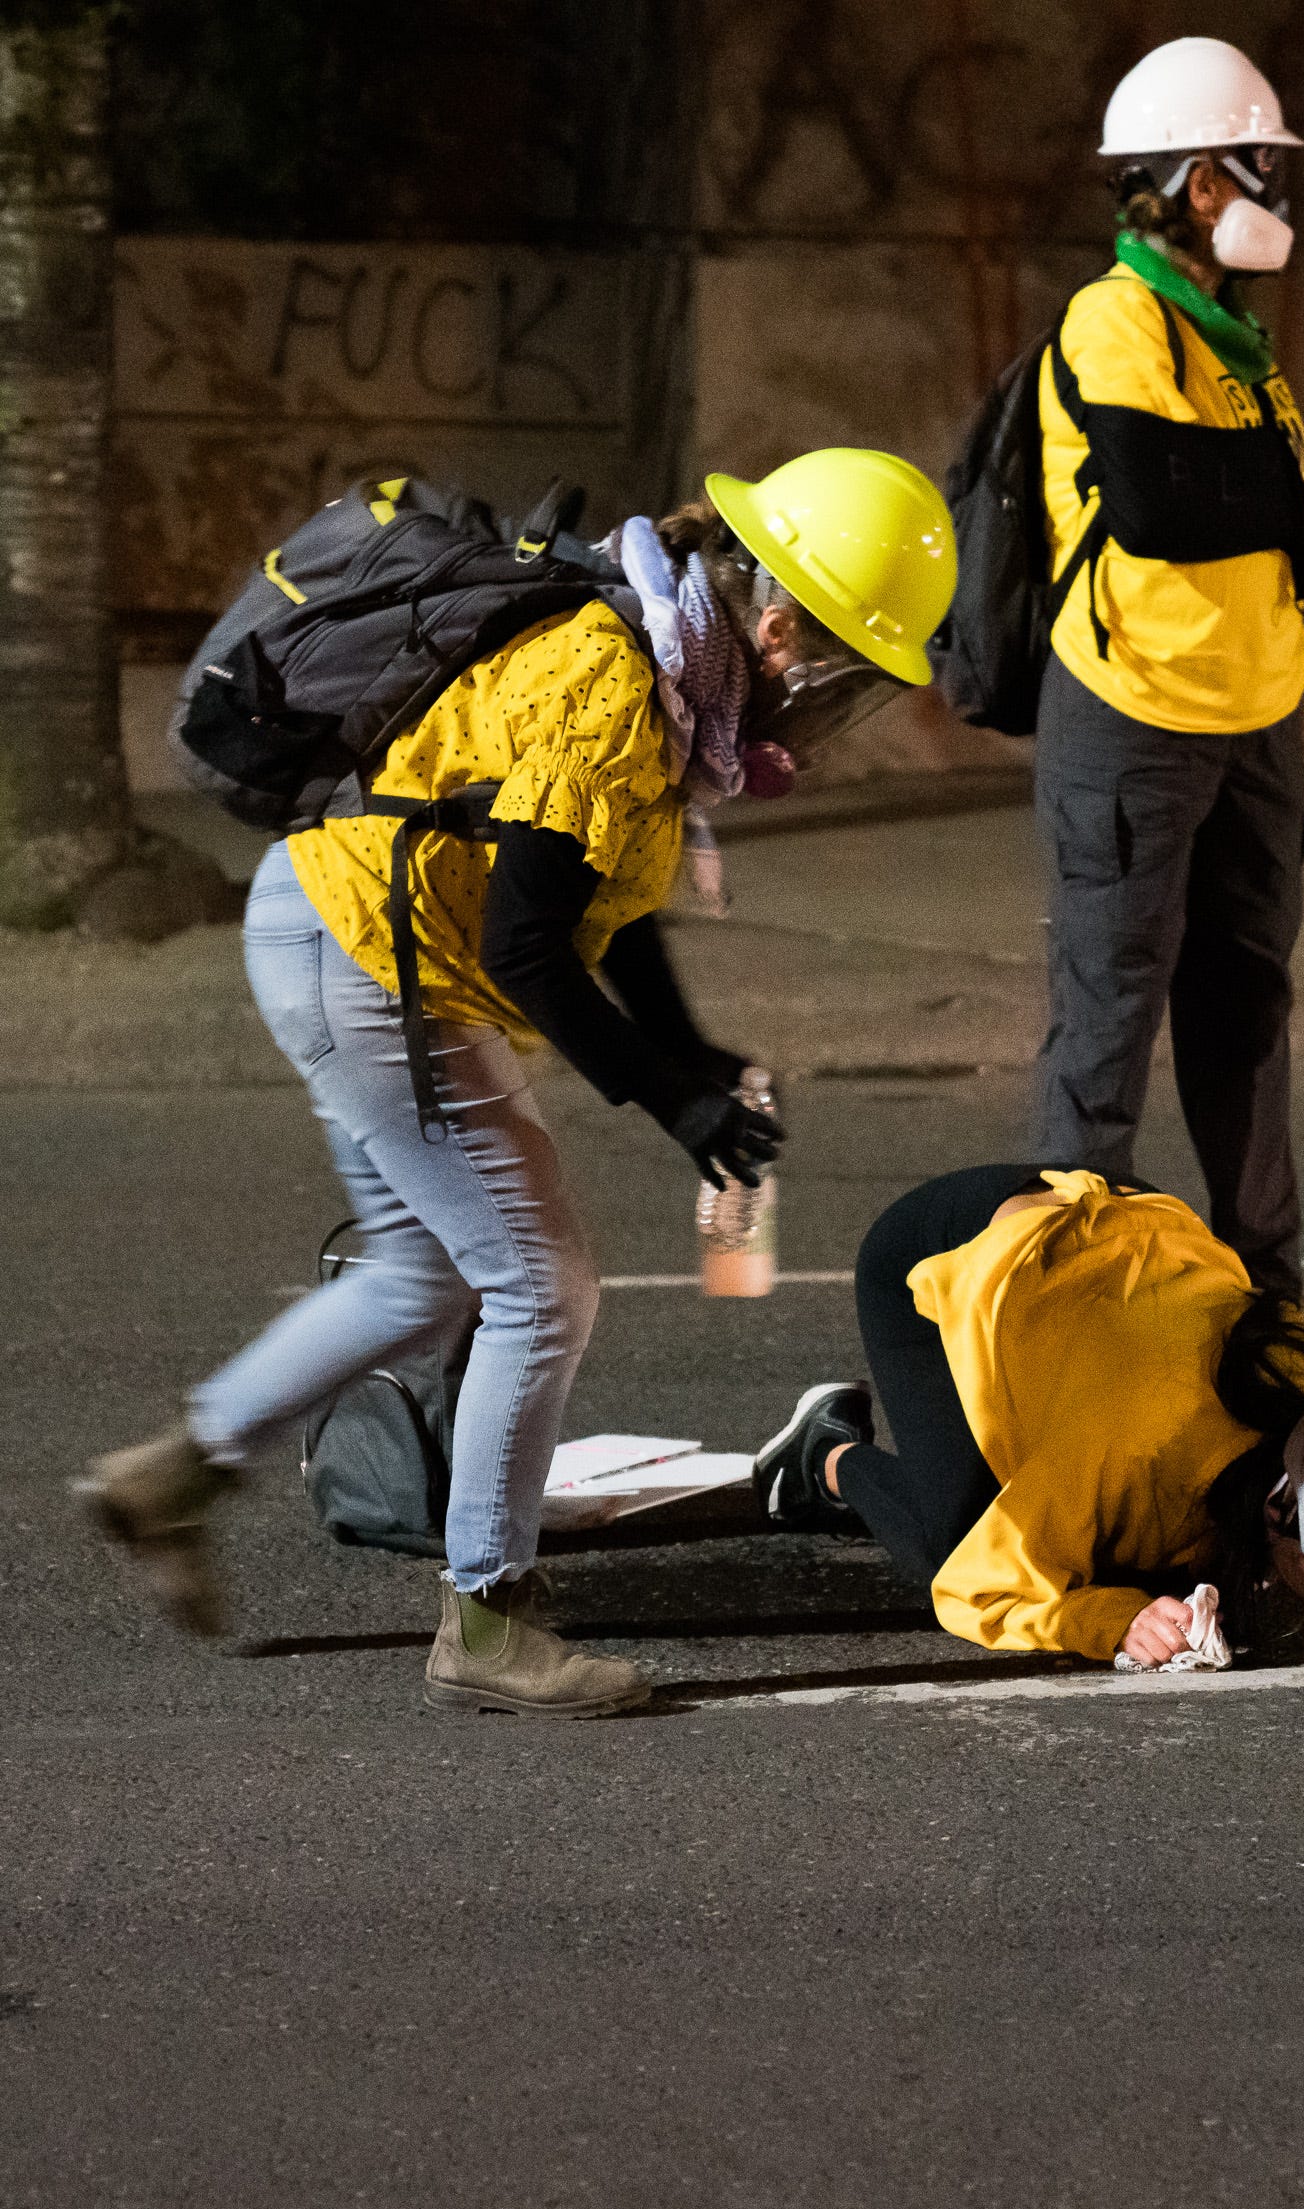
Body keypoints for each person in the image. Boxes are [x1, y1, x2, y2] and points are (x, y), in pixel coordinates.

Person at [79, 449, 957, 1717]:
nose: (829, 709)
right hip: (377, 963)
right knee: (541, 1284)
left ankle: (168, 1478)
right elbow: (527, 947)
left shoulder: (662, 665)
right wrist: (674, 1101)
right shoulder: (613, 678)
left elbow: (607, 893)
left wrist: (690, 1054)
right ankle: (486, 1618)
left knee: (423, 1270)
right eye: (839, 674)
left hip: (337, 934)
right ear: (778, 629)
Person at [1031, 36, 1304, 1297]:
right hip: (1132, 717)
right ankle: (1072, 1303)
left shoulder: (1236, 347)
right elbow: (1157, 503)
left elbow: (1251, 526)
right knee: (1108, 1022)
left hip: (1255, 718)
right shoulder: (1115, 319)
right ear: (1198, 184)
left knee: (1246, 1017)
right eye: (1262, 171)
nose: (1279, 198)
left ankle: (1265, 1295)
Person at [751, 1166, 1304, 1668]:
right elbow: (980, 1589)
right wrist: (1111, 1625)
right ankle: (822, 1456)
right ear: (1277, 1509)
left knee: (1148, 1552)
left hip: (1129, 1225)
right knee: (950, 1542)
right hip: (948, 1240)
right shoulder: (1129, 1448)